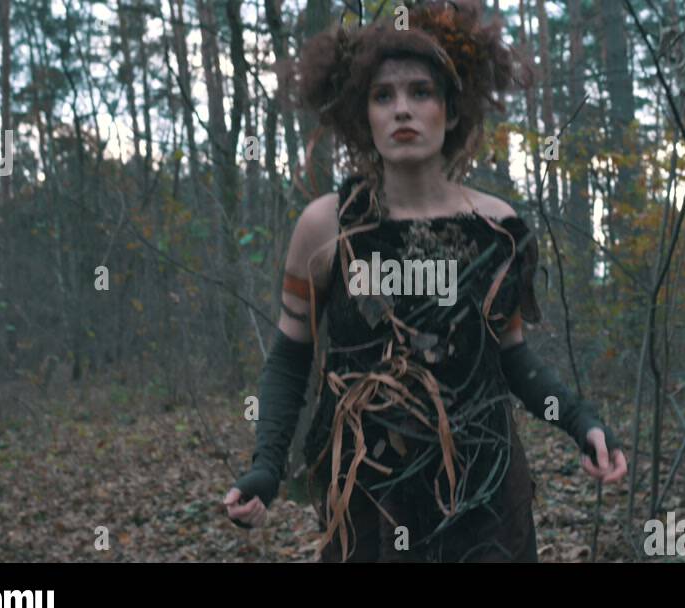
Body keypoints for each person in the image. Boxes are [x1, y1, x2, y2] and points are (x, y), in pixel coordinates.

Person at [223, 0, 626, 562]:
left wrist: (580, 421)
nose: (402, 110)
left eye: (421, 92)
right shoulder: (326, 228)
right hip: (369, 498)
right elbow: (291, 358)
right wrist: (266, 465)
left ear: (452, 109)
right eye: (382, 96)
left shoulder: (499, 230)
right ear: (362, 113)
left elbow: (512, 358)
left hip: (484, 494)